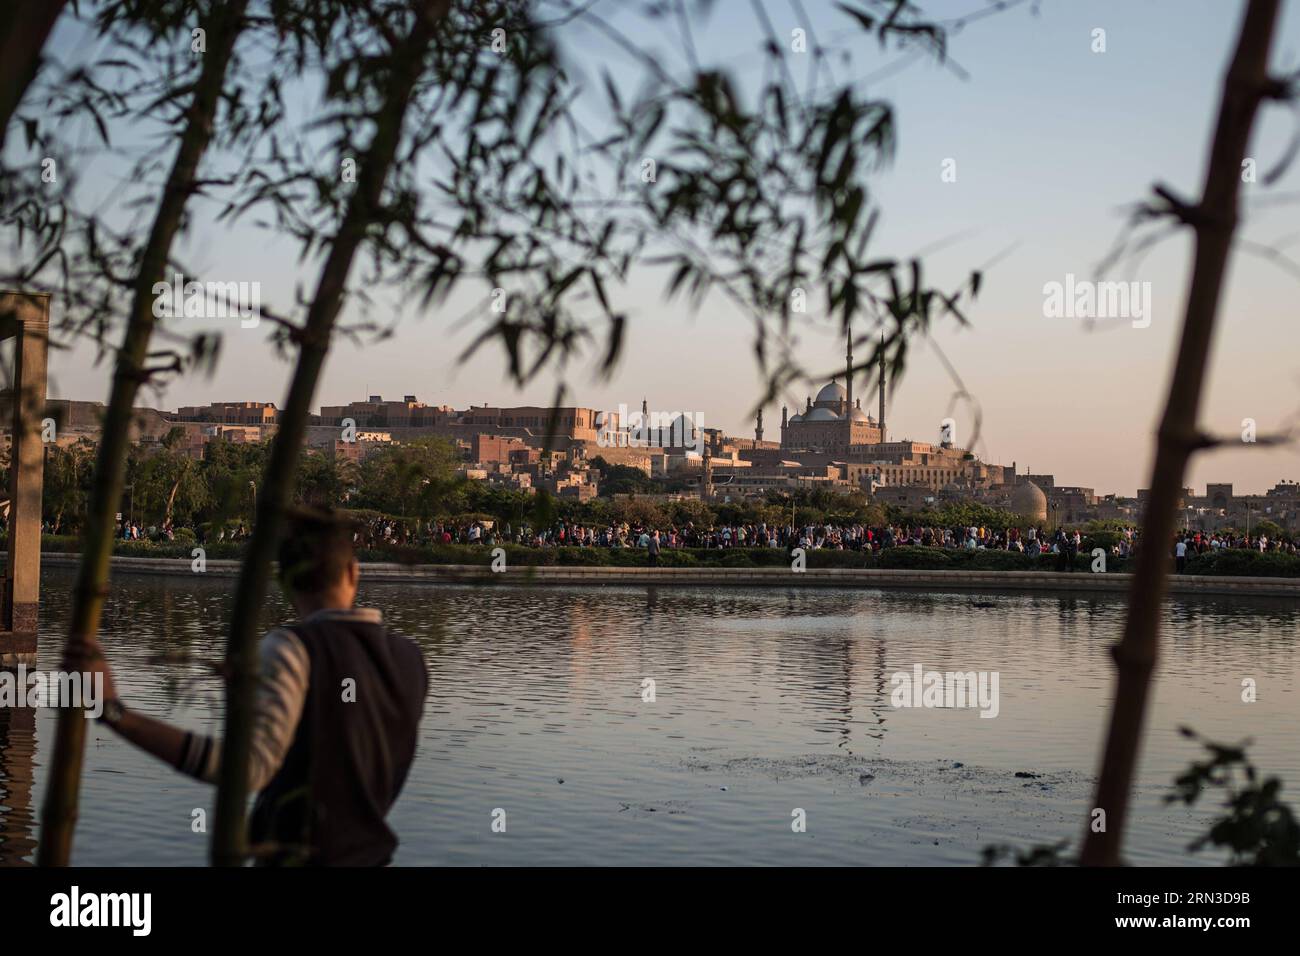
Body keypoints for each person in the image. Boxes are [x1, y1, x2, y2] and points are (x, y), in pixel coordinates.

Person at [66, 508, 428, 866]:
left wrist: (115, 713)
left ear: (284, 580)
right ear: (353, 571)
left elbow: (248, 769)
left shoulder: (292, 648)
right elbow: (347, 742)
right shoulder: (411, 659)